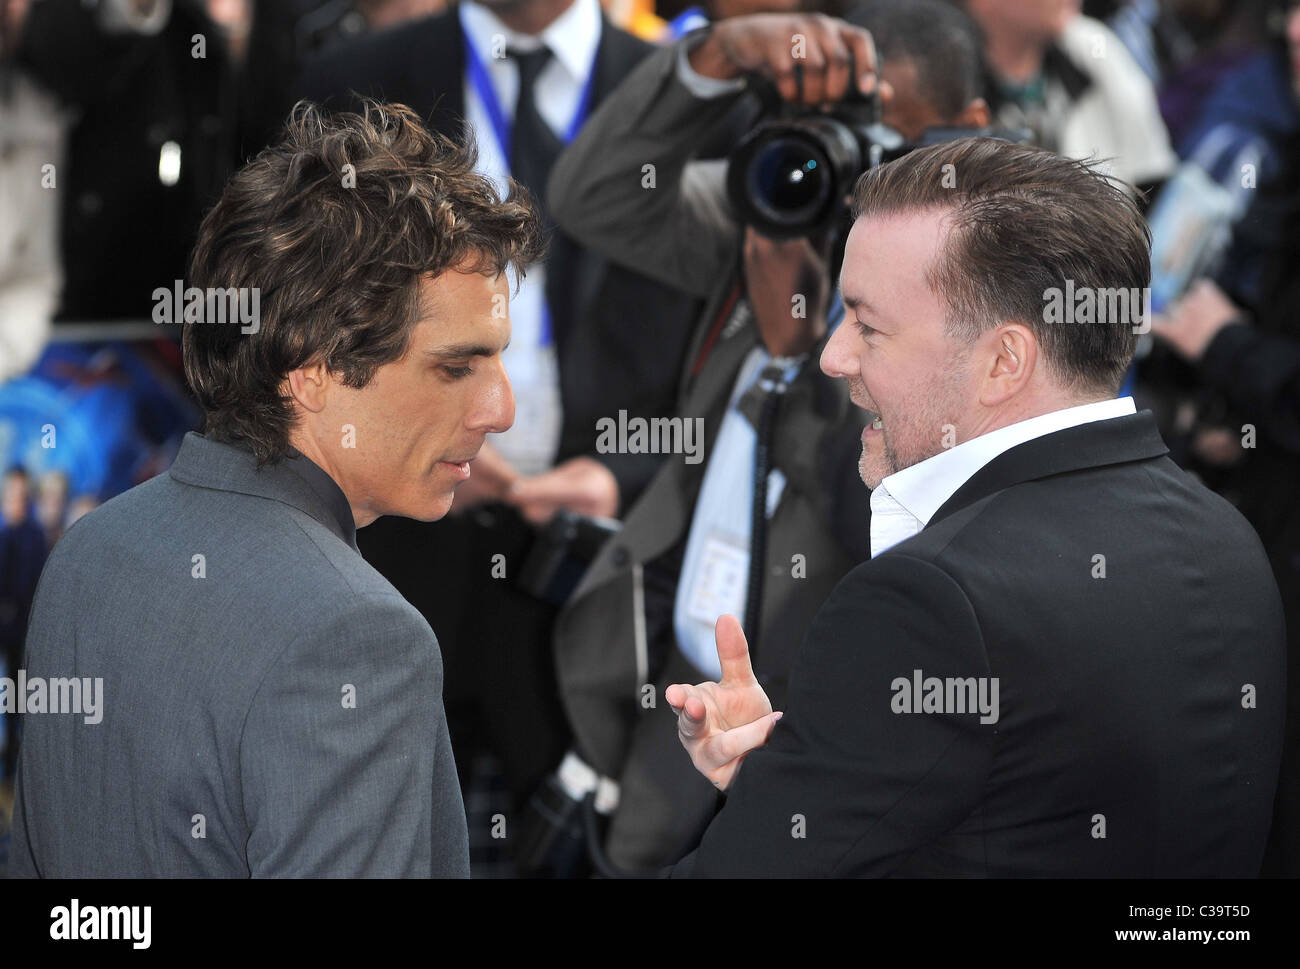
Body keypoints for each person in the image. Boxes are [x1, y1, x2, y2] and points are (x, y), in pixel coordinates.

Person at [664, 137, 1286, 877]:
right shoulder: (1229, 537)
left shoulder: (930, 601)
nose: (833, 356)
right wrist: (805, 774)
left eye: (866, 324)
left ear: (1003, 362)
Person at [6, 100, 543, 877]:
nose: (502, 409)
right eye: (456, 366)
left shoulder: (90, 549)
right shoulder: (358, 638)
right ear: (315, 370)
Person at [546, 0, 991, 872]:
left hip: (812, 726)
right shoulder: (785, 207)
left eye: (889, 146)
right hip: (678, 692)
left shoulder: (991, 305)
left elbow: (909, 519)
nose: (864, 182)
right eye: (837, 138)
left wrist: (796, 357)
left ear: (970, 129)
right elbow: (588, 196)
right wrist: (711, 59)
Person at [296, 0, 706, 819]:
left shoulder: (687, 100)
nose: (498, 408)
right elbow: (291, 323)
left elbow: (738, 346)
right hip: (390, 554)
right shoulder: (347, 84)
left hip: (606, 566)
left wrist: (627, 474)